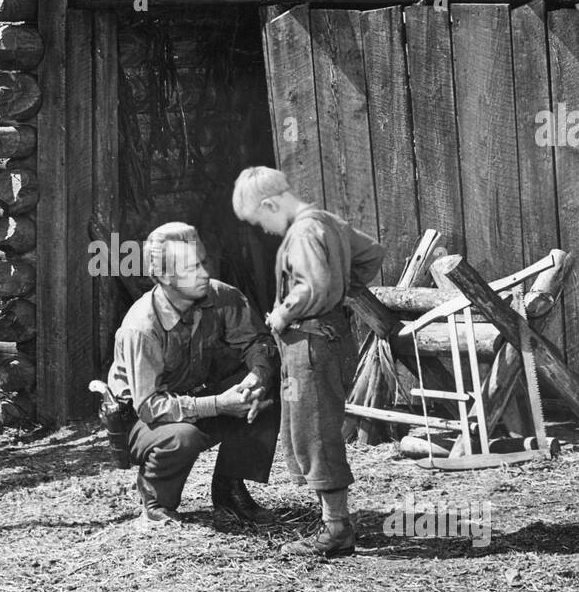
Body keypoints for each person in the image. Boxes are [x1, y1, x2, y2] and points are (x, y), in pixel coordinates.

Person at [232, 167, 384, 558]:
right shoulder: (329, 221)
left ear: (269, 204)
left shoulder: (301, 232)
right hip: (329, 337)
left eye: (260, 220)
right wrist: (341, 289)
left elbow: (309, 286)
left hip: (310, 345)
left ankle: (336, 531)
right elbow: (371, 254)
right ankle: (332, 521)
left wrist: (284, 312)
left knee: (314, 431)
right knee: (313, 426)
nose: (265, 230)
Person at [106, 222, 280, 531]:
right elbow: (149, 407)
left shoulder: (222, 296)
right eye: (190, 267)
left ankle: (229, 492)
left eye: (203, 261)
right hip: (141, 420)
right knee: (180, 438)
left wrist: (257, 375)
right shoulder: (142, 328)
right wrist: (219, 405)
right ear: (164, 277)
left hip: (195, 398)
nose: (203, 272)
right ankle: (156, 503)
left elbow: (258, 342)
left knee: (264, 391)